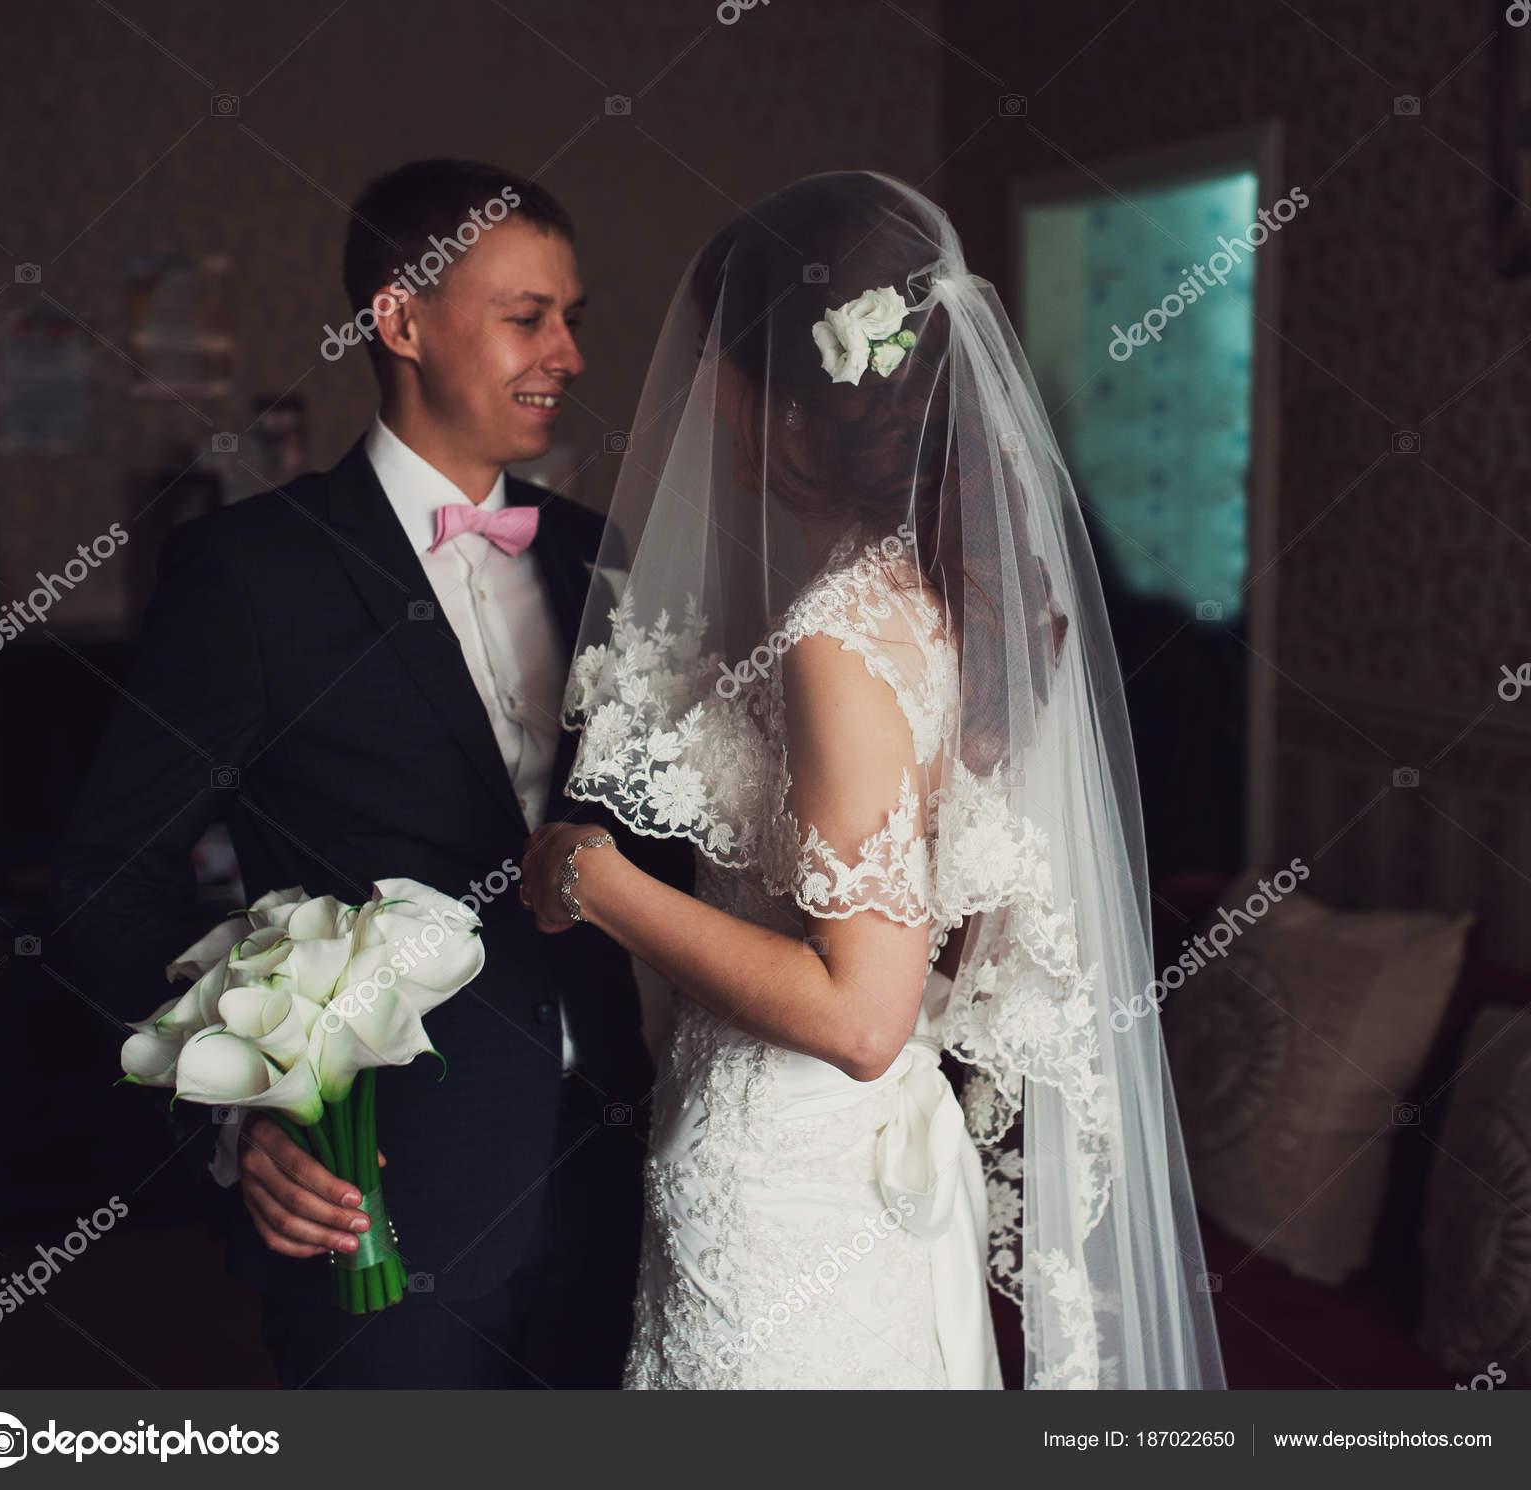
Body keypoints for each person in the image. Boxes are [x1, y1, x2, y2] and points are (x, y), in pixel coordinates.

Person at [520, 171, 1227, 1389]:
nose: (693, 403)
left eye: (707, 368)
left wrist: (593, 877)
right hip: (851, 1156)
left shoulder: (839, 638)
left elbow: (861, 1015)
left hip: (790, 1166)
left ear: (776, 403)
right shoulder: (958, 603)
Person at [53, 159, 683, 1389]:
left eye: (573, 318)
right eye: (526, 317)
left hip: (626, 1161)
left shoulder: (597, 557)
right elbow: (104, 878)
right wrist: (234, 1109)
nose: (567, 350)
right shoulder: (249, 572)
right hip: (382, 1196)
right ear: (396, 320)